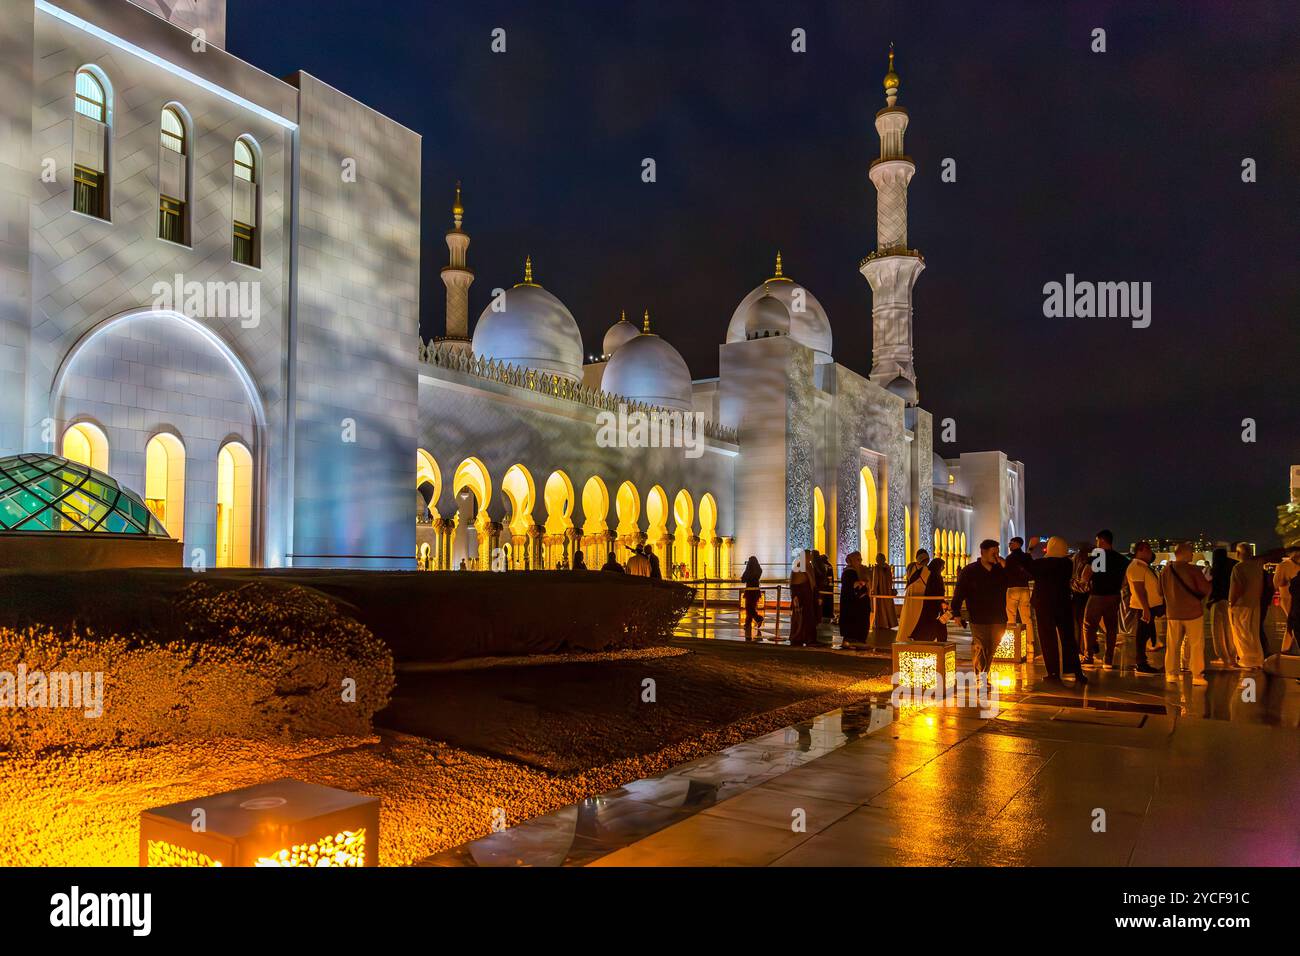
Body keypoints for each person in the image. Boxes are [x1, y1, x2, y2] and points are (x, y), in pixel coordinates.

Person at [1028, 536, 1087, 685]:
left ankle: (1053, 673)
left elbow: (1027, 566)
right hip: (1063, 604)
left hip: (1044, 605)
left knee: (1048, 639)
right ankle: (1076, 671)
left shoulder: (1042, 564)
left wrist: (1030, 548)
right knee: (1068, 638)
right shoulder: (1067, 563)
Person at [950, 539, 1009, 677]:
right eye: (993, 553)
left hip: (998, 617)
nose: (996, 556)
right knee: (980, 647)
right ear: (983, 552)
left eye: (998, 553)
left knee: (992, 648)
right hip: (978, 617)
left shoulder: (1000, 570)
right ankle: (981, 676)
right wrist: (956, 612)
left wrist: (1006, 566)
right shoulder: (970, 571)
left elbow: (1016, 579)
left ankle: (985, 673)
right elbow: (959, 592)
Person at [1161, 541, 1210, 685]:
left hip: (1173, 613)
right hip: (1193, 612)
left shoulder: (1165, 571)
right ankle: (1197, 675)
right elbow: (1206, 589)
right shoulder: (1193, 570)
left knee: (1172, 645)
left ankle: (1171, 674)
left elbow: (1160, 591)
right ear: (1184, 552)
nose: (1193, 554)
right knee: (1196, 645)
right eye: (1191, 551)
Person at [1082, 529, 1129, 668]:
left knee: (1089, 625)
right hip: (1114, 596)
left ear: (1101, 540)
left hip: (1097, 595)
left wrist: (1087, 581)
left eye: (1097, 540)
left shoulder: (1099, 555)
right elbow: (1126, 579)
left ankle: (1088, 657)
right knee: (1111, 628)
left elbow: (1086, 575)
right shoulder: (1121, 559)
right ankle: (1108, 659)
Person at [1125, 540, 1164, 674]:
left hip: (1148, 607)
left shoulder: (1142, 566)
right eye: (1148, 550)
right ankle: (1141, 663)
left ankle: (1142, 661)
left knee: (1145, 634)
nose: (1150, 553)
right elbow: (1139, 589)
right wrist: (1146, 609)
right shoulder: (1136, 566)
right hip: (1143, 608)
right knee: (1142, 636)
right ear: (1140, 550)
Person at [1229, 543, 1266, 669]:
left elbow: (1237, 588)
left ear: (1239, 554)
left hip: (1241, 605)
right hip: (1254, 604)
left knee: (1242, 634)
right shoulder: (1257, 567)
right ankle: (1257, 659)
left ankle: (1247, 660)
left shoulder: (1238, 568)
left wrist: (1231, 603)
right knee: (1253, 633)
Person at [1205, 546, 1237, 667]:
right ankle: (1232, 656)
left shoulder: (1215, 569)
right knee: (1229, 630)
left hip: (1217, 602)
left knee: (1218, 631)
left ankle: (1223, 657)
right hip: (1229, 601)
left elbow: (1209, 585)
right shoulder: (1232, 567)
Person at [1004, 536, 1036, 657]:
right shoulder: (1027, 557)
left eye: (1011, 543)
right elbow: (1032, 570)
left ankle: (1012, 642)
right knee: (1026, 617)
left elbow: (1006, 573)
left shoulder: (1010, 558)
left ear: (1017, 544)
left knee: (1011, 616)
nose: (1009, 545)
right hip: (1025, 589)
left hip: (1012, 588)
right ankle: (1030, 644)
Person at [838, 551, 871, 646]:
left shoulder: (850, 571)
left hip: (852, 603)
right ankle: (854, 641)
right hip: (853, 604)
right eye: (858, 560)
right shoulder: (850, 572)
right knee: (854, 623)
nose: (860, 561)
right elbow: (855, 586)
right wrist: (863, 583)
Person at [911, 557, 948, 641]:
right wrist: (941, 602)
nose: (943, 568)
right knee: (938, 623)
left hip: (929, 605)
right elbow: (938, 591)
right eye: (943, 566)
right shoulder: (936, 577)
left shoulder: (928, 575)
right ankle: (939, 639)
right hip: (935, 606)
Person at [788, 550, 820, 646]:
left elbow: (812, 582)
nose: (810, 558)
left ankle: (808, 638)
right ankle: (800, 637)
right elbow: (795, 584)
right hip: (801, 595)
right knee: (801, 618)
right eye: (808, 556)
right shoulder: (799, 566)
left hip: (808, 595)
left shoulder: (808, 566)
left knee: (809, 617)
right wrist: (795, 597)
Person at [896, 554, 931, 641]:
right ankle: (914, 635)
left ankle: (904, 635)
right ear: (925, 560)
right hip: (920, 594)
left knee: (908, 615)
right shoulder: (926, 570)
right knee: (916, 616)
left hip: (910, 593)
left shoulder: (911, 566)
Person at [1069, 541, 1094, 664]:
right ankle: (1085, 650)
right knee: (1085, 625)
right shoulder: (1088, 564)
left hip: (1076, 597)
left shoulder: (1074, 562)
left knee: (1078, 625)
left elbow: (1079, 584)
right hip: (1085, 598)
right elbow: (1085, 585)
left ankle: (1080, 650)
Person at [1274, 547, 1300, 653]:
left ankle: (1286, 651)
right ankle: (1286, 650)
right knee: (1292, 625)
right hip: (1292, 600)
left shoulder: (1284, 566)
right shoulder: (1285, 565)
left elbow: (1276, 583)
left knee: (1292, 625)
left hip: (1290, 599)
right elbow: (1277, 583)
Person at [870, 553, 899, 631]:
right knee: (888, 606)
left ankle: (882, 623)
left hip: (880, 591)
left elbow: (875, 580)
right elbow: (890, 580)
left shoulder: (877, 568)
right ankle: (890, 622)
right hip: (887, 590)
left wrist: (873, 590)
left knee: (880, 607)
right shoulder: (887, 567)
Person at [741, 555, 764, 639]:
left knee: (749, 608)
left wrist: (747, 568)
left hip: (749, 591)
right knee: (751, 608)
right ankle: (748, 624)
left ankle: (758, 619)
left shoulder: (749, 570)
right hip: (756, 591)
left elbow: (743, 579)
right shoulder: (759, 570)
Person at [815, 552, 835, 620]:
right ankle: (828, 613)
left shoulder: (822, 565)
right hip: (829, 586)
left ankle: (823, 613)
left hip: (823, 586)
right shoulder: (829, 565)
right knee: (828, 600)